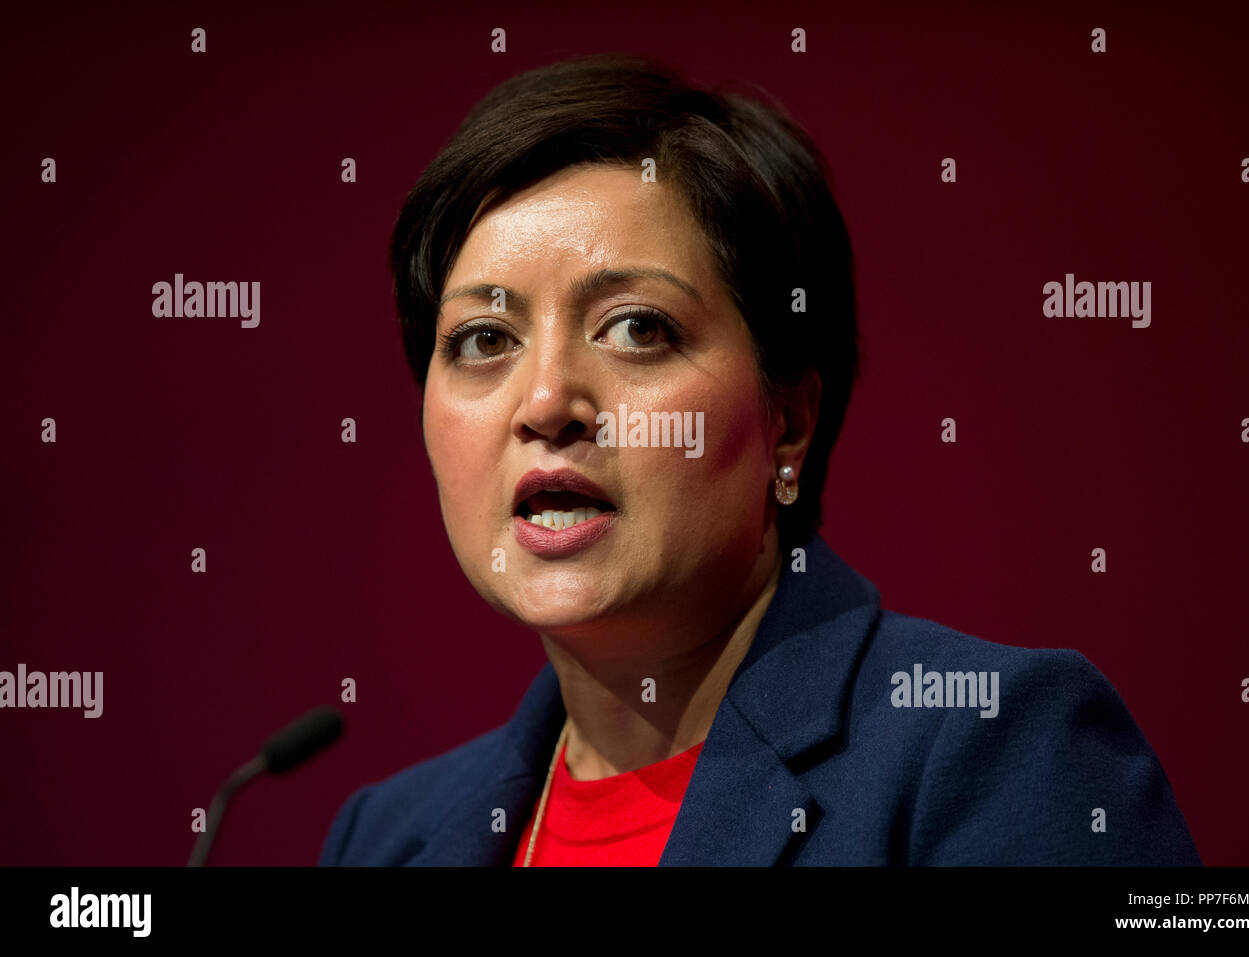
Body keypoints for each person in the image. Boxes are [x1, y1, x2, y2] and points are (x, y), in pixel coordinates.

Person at [319, 53, 1200, 866]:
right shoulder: (385, 838)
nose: (547, 402)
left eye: (638, 328)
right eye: (483, 338)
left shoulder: (995, 748)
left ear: (786, 423)